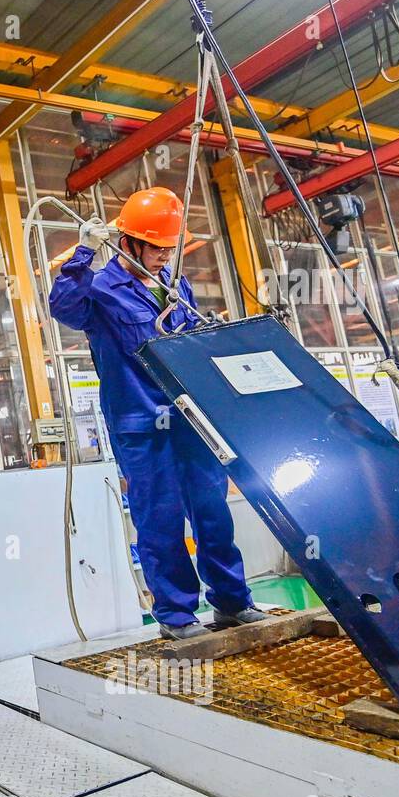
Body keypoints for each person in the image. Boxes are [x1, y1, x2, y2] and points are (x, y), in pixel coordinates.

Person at [49, 186, 268, 641]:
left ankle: (232, 601)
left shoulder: (175, 282)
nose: (163, 255)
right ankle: (176, 614)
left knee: (212, 513)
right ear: (127, 241)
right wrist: (81, 256)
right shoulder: (100, 289)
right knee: (160, 519)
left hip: (191, 419)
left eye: (169, 248)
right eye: (156, 247)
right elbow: (63, 308)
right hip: (142, 427)